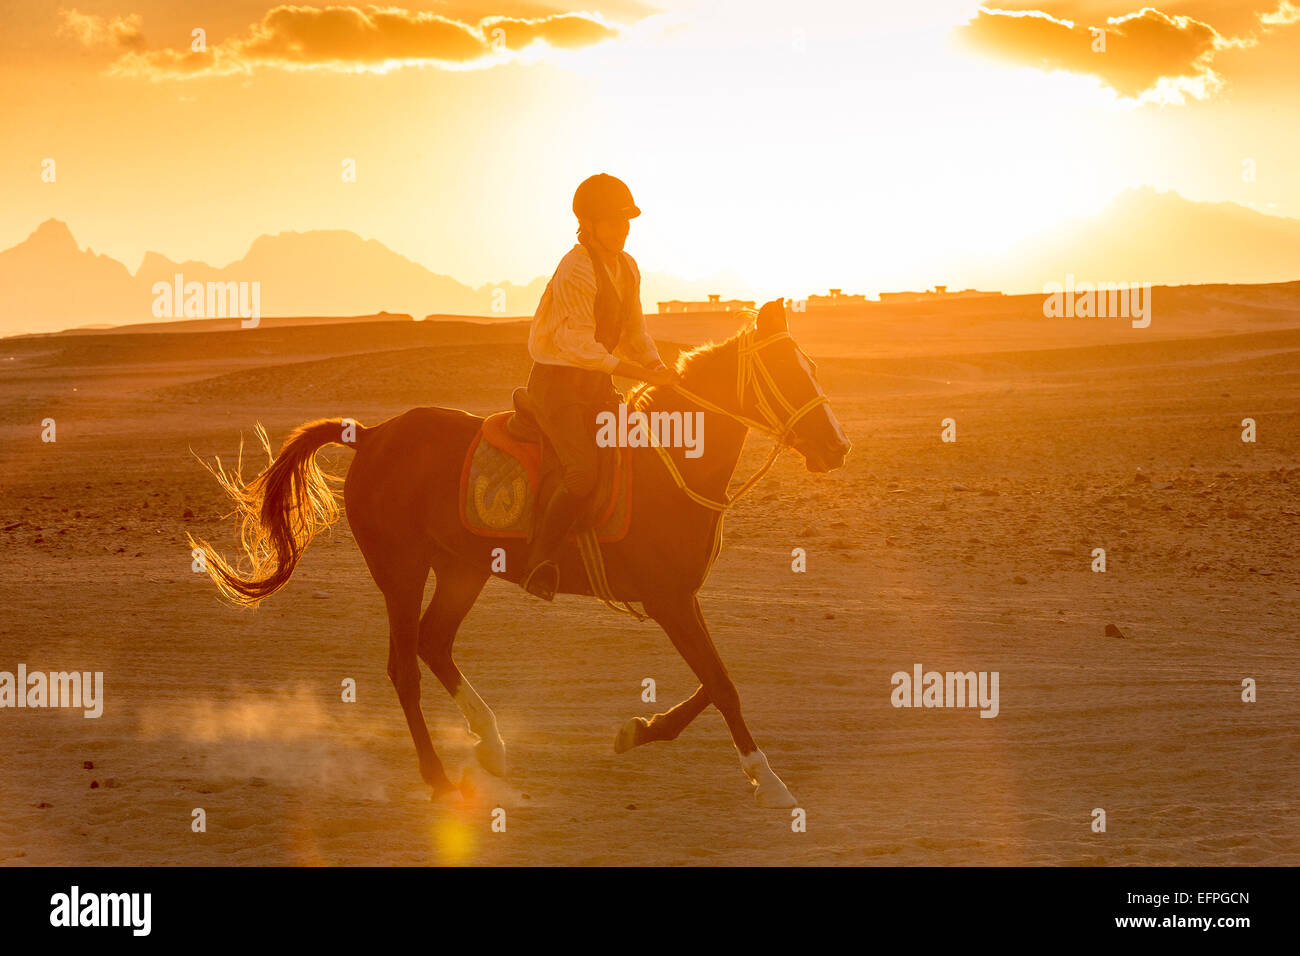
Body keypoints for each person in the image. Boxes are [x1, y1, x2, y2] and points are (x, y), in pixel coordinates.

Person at [519, 173, 678, 601]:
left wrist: (660, 366)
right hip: (559, 388)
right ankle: (539, 561)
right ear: (587, 224)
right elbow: (577, 345)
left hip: (596, 386)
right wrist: (640, 375)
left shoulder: (627, 267)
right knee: (582, 475)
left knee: (642, 456)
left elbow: (634, 332)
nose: (624, 228)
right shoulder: (575, 267)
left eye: (627, 220)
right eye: (613, 220)